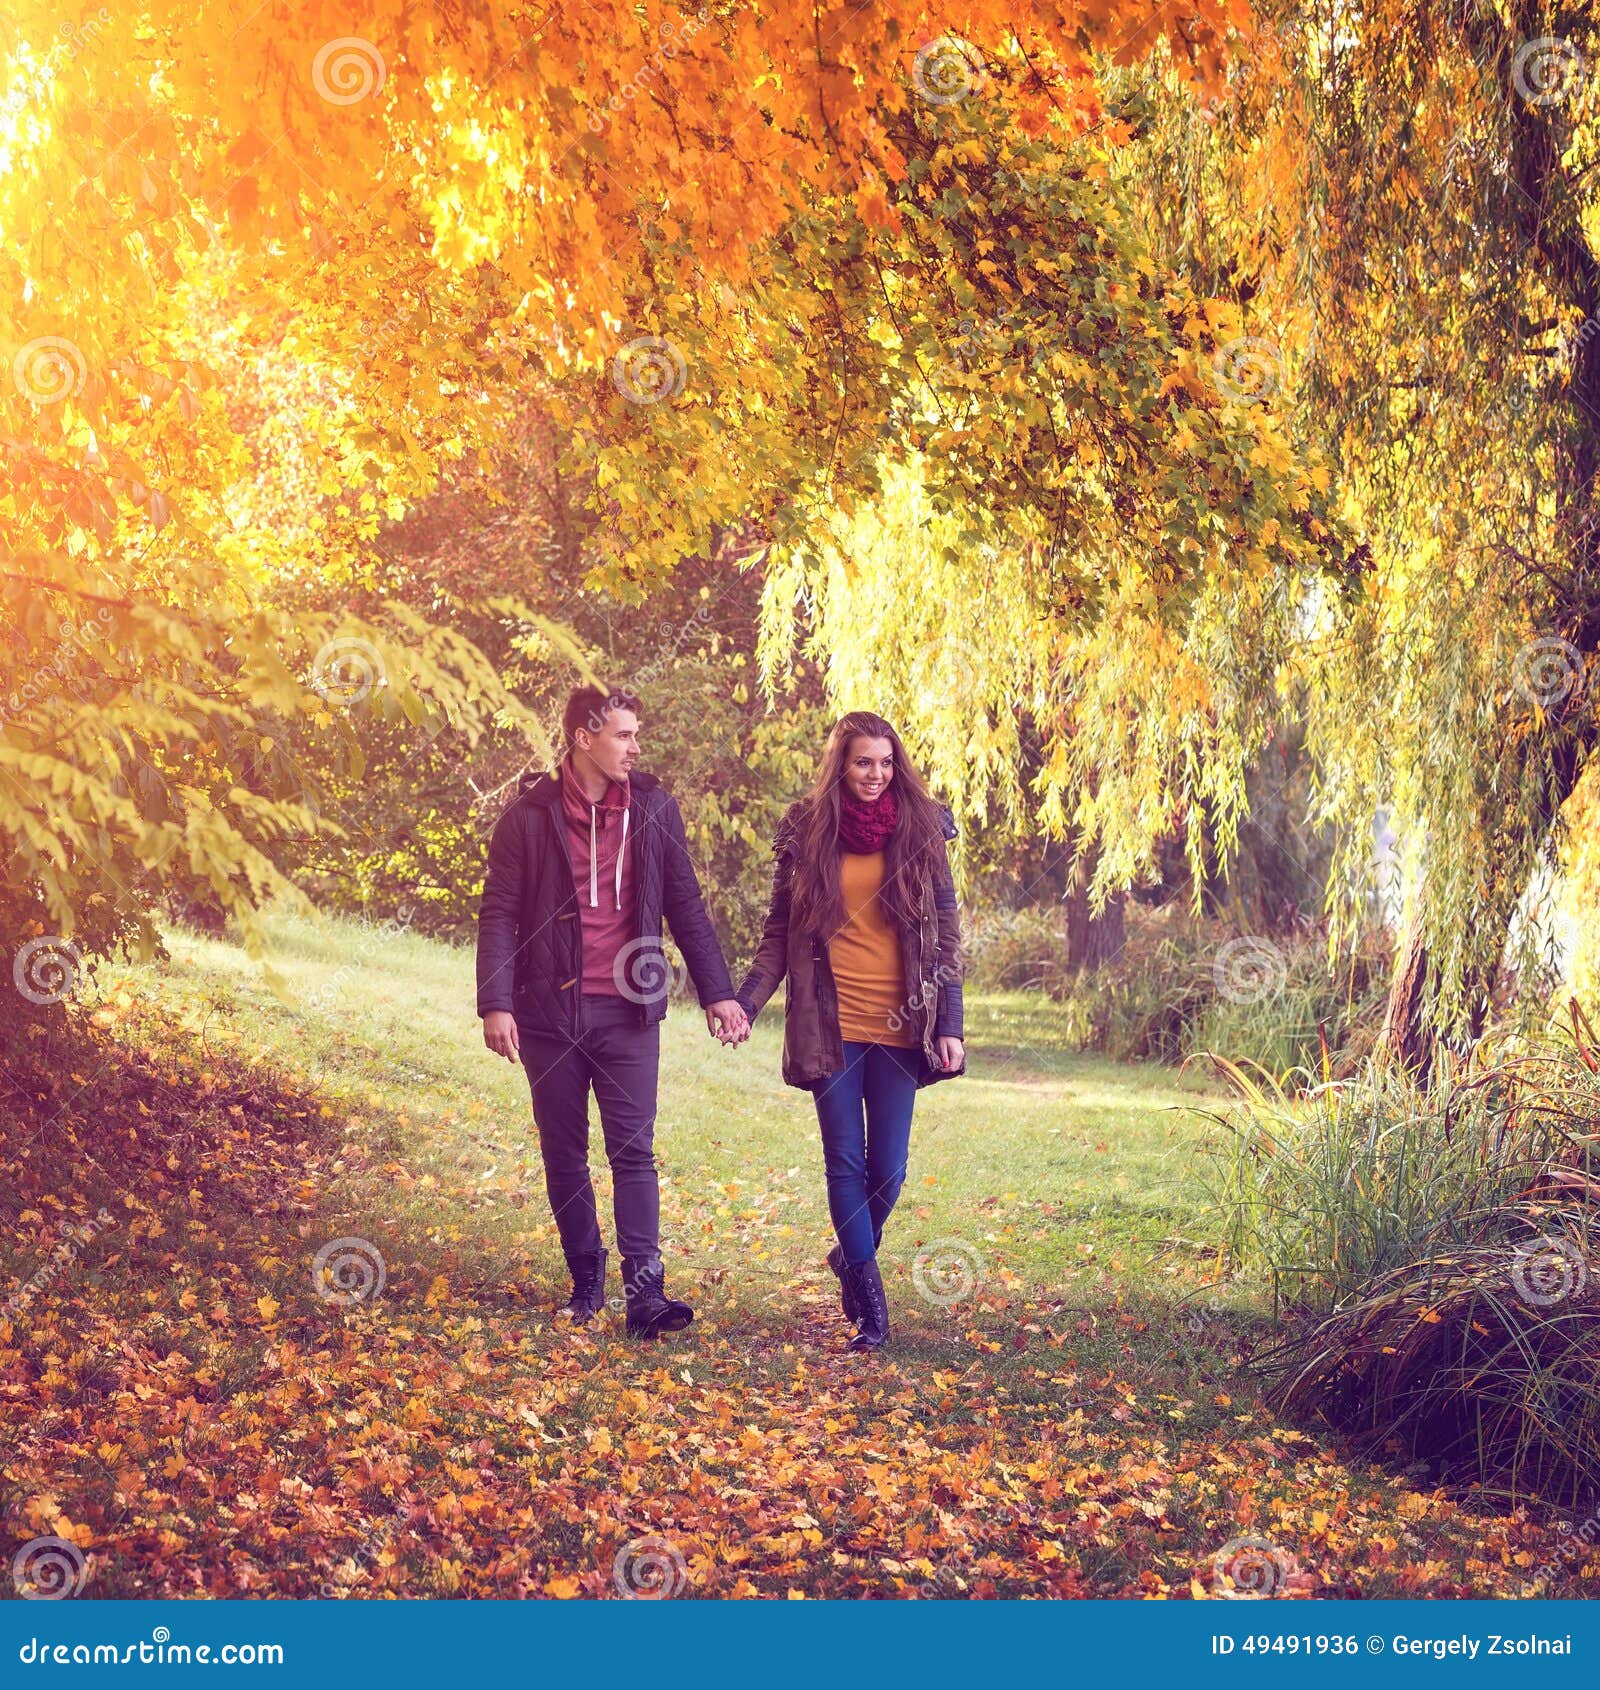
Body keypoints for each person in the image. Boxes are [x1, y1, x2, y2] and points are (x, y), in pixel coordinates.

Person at [476, 685, 750, 1337]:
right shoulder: (529, 818)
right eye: (623, 735)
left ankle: (646, 1297)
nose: (634, 746)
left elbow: (685, 904)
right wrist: (495, 1002)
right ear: (583, 738)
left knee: (635, 1153)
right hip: (548, 1016)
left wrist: (718, 993)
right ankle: (586, 1281)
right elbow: (499, 914)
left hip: (630, 1014)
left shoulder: (655, 809)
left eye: (636, 734)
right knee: (565, 1155)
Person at [734, 710, 965, 1350]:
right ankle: (870, 1308)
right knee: (845, 1161)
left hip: (902, 1022)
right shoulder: (806, 829)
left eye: (886, 762)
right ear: (842, 764)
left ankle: (849, 1253)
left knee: (888, 1170)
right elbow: (777, 936)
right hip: (830, 1025)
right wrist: (746, 1005)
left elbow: (946, 936)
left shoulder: (922, 826)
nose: (876, 774)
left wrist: (950, 1023)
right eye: (864, 762)